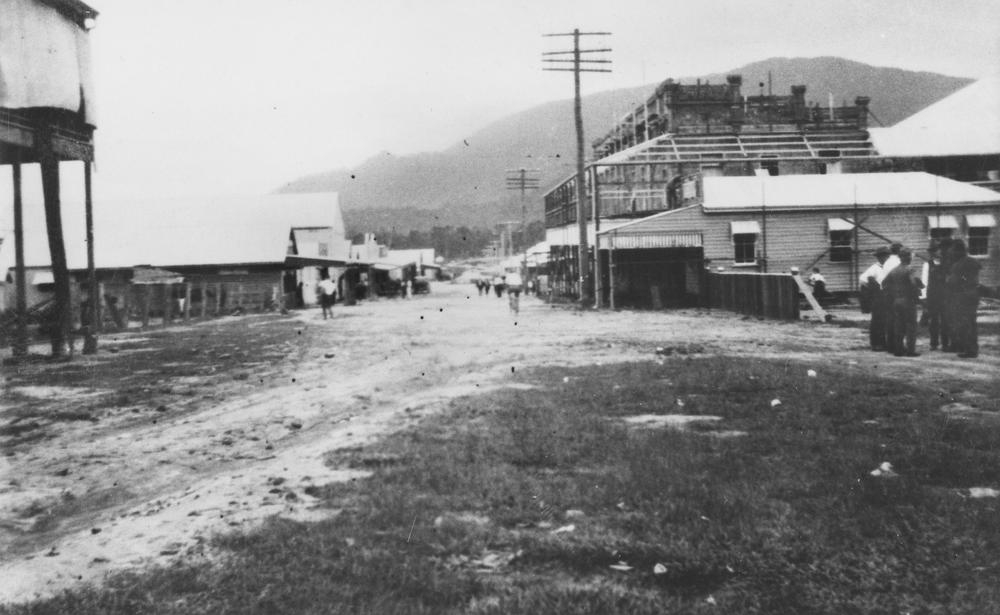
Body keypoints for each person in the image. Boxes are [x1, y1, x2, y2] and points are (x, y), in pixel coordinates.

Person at [882, 248, 923, 356]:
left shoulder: (894, 270)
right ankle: (910, 350)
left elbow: (884, 283)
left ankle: (898, 350)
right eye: (909, 256)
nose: (910, 258)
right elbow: (914, 283)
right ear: (906, 257)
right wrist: (917, 294)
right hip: (908, 300)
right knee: (911, 326)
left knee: (899, 325)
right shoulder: (910, 269)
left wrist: (892, 294)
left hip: (896, 300)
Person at [945, 240, 981, 358]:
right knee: (971, 322)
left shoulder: (958, 264)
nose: (952, 253)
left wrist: (948, 278)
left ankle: (969, 349)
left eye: (954, 251)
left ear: (958, 251)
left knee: (964, 323)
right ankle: (970, 347)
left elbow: (952, 281)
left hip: (962, 296)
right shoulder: (973, 261)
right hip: (973, 293)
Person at [859, 247, 892, 351]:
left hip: (888, 296)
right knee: (877, 321)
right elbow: (862, 279)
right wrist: (873, 288)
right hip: (878, 297)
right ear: (878, 257)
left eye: (886, 256)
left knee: (886, 321)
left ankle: (885, 343)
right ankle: (876, 343)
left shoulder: (890, 267)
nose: (884, 258)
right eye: (881, 256)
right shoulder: (874, 268)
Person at [921, 241, 950, 351]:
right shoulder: (927, 265)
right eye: (935, 250)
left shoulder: (946, 264)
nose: (938, 252)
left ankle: (945, 344)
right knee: (934, 321)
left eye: (939, 250)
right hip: (932, 297)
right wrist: (924, 298)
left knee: (945, 320)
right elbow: (924, 282)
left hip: (944, 297)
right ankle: (934, 344)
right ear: (932, 253)